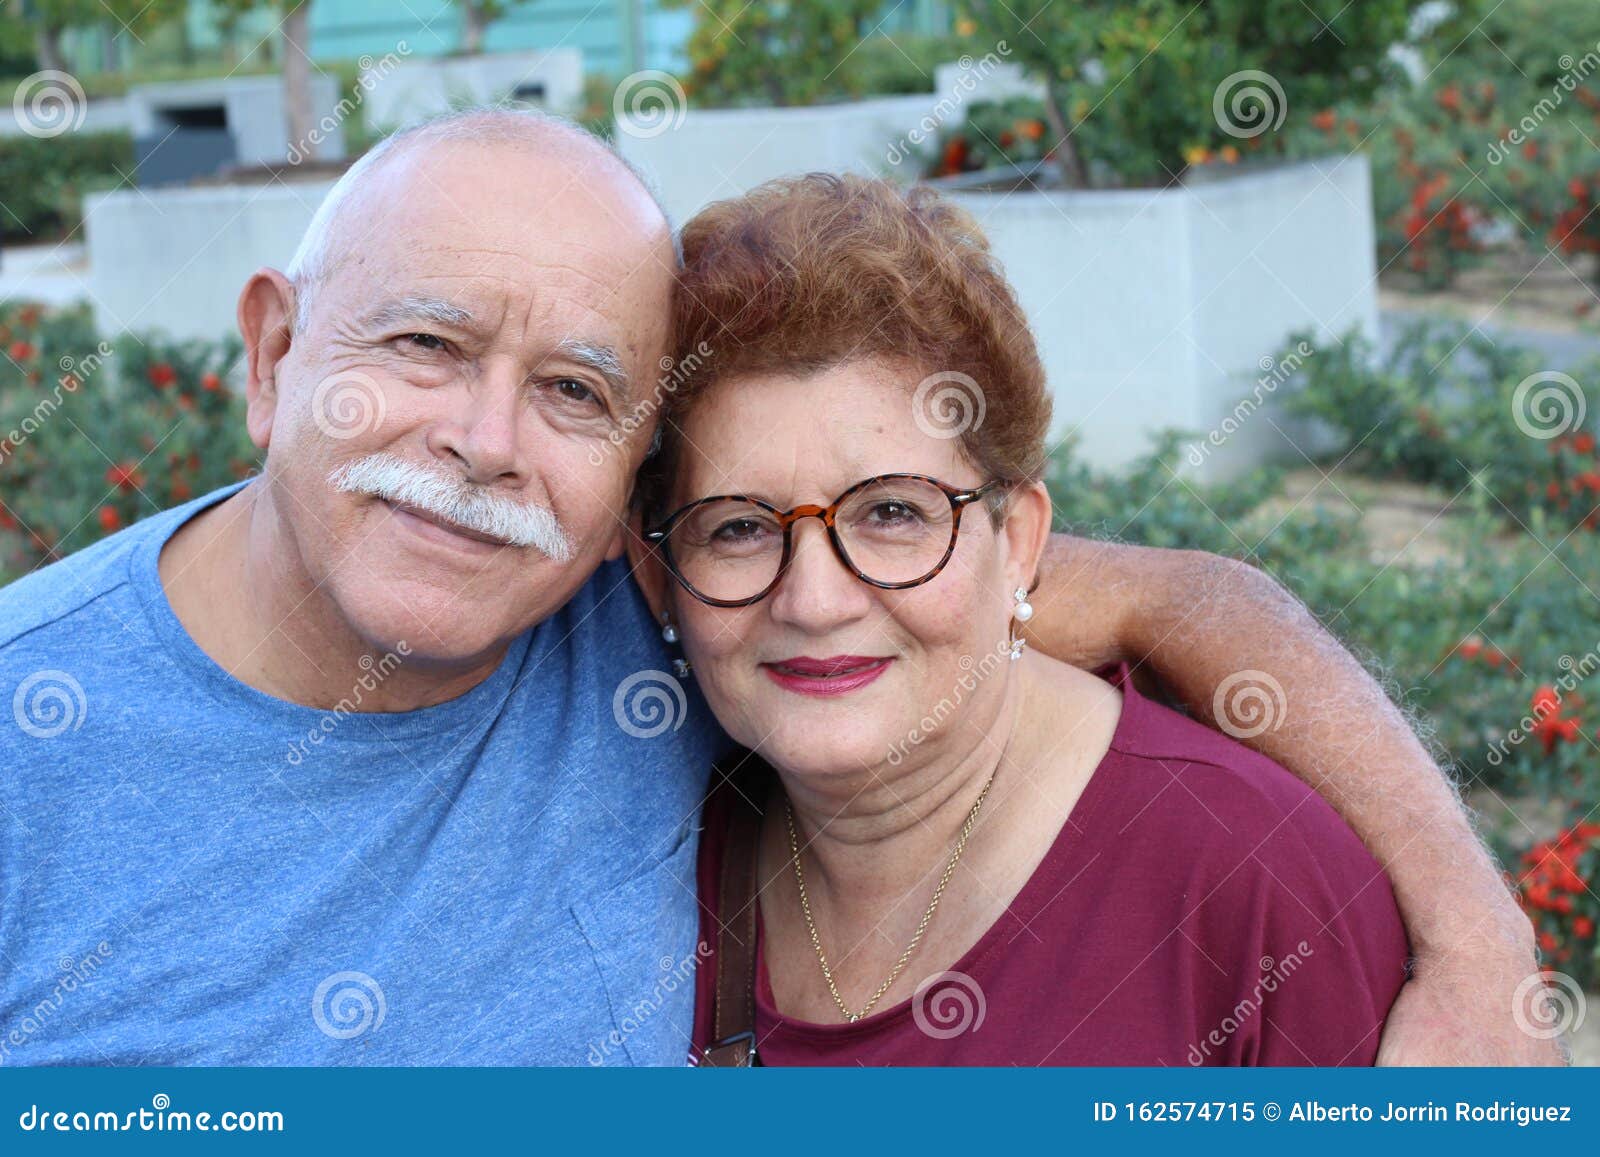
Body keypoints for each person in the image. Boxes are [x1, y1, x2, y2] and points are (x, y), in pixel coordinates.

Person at [0, 111, 1554, 1066]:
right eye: (423, 343)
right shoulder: (33, 732)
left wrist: (1483, 950)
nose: (484, 443)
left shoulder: (641, 600)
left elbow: (1184, 598)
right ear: (273, 354)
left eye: (575, 390)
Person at [634, 174, 1467, 1064]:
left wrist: (1479, 943)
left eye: (893, 512)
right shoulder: (665, 838)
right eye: (739, 527)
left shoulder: (1254, 882)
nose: (813, 600)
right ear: (659, 577)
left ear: (1020, 542)